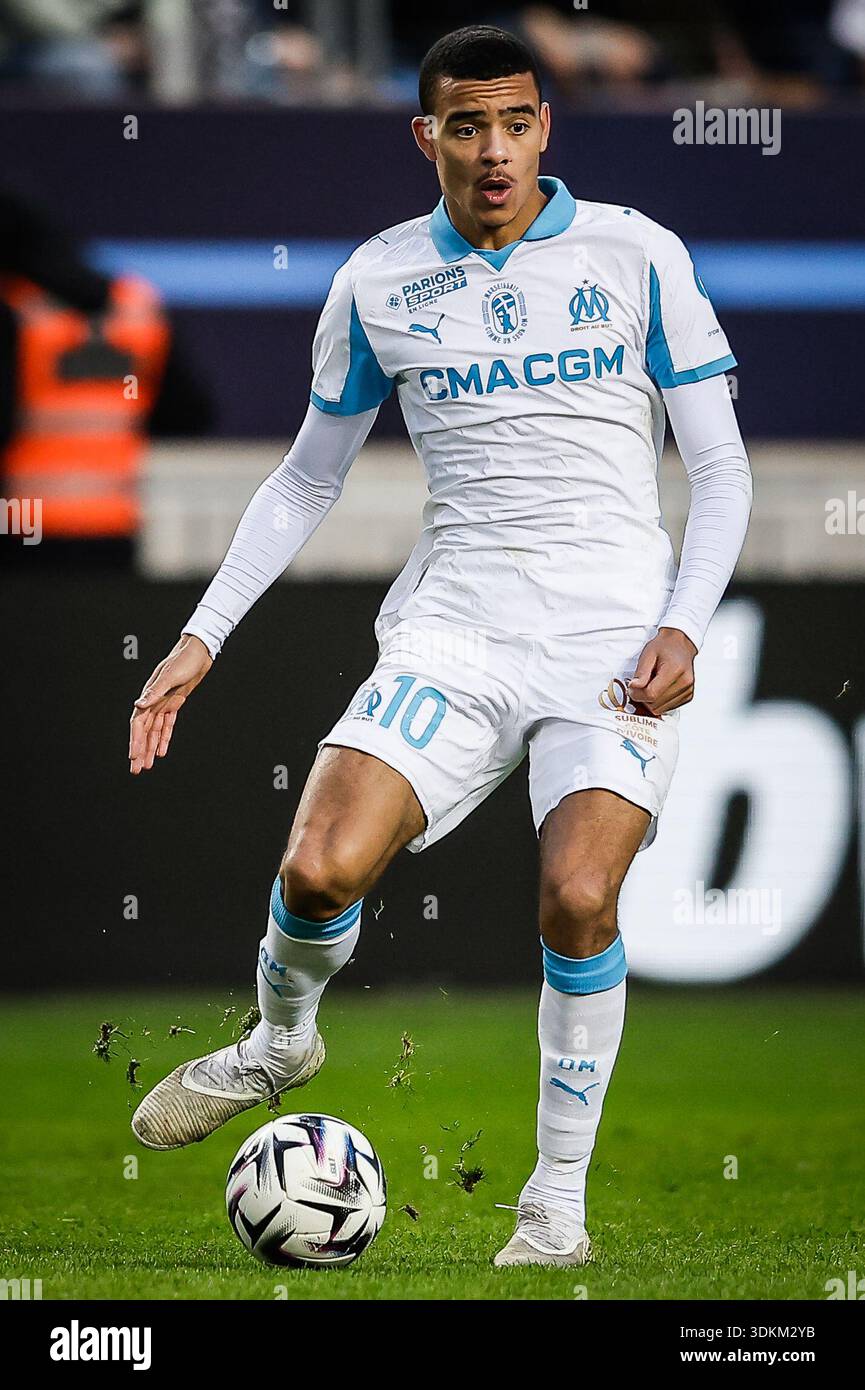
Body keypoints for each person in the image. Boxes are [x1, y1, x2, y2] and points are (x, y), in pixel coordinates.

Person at [128, 24, 752, 1268]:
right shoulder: (377, 280)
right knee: (315, 874)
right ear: (429, 138)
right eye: (466, 126)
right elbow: (306, 481)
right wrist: (201, 635)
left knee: (579, 895)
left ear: (542, 129)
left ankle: (554, 1205)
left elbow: (721, 467)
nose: (494, 149)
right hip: (453, 632)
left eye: (514, 120)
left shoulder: (636, 254)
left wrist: (683, 620)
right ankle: (278, 1043)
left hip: (610, 640)